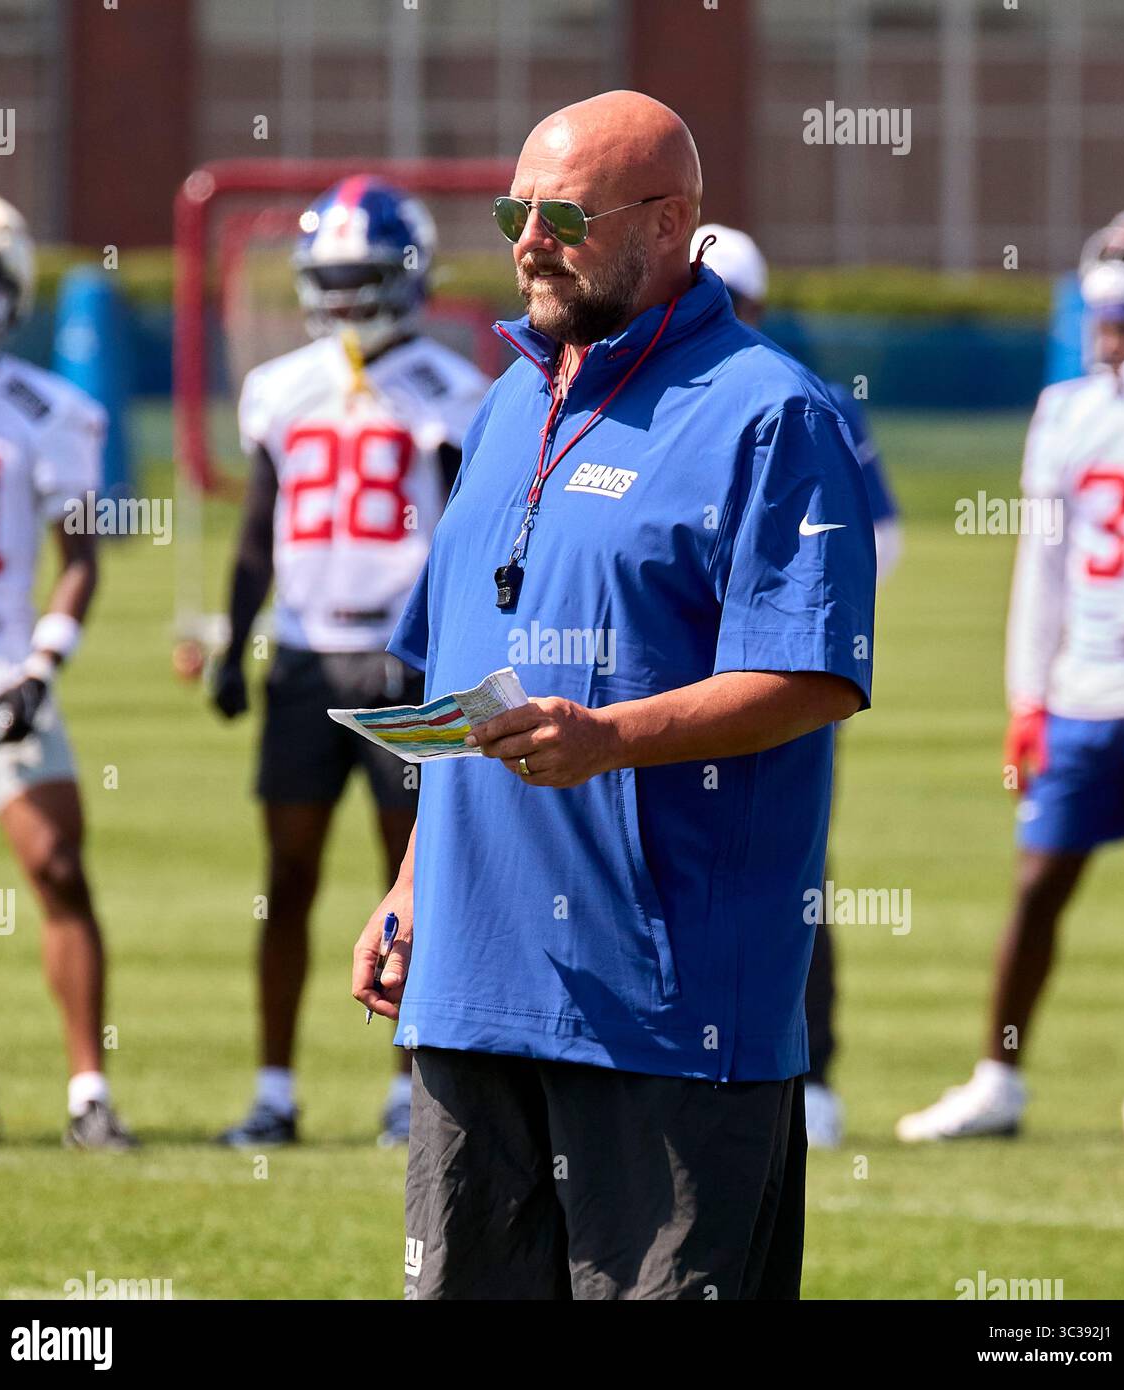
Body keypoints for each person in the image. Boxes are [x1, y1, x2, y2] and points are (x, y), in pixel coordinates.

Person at [352, 90, 876, 1300]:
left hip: (669, 1011)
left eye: (564, 214)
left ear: (669, 221)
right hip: (474, 996)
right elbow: (459, 684)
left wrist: (609, 738)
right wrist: (414, 880)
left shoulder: (770, 412)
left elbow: (809, 674)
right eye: (515, 212)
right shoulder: (501, 404)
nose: (529, 239)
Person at [212, 179, 489, 1147]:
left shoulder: (455, 394)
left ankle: (406, 1086)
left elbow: (464, 543)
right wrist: (229, 640)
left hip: (401, 663)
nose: (342, 297)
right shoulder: (281, 386)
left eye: (361, 277)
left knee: (408, 878)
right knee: (286, 874)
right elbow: (257, 534)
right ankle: (274, 1088)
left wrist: (447, 658)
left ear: (405, 277)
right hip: (301, 652)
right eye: (329, 279)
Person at [898, 205, 1124, 1148]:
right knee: (1039, 879)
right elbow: (1039, 568)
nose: (1109, 329)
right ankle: (997, 1077)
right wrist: (1027, 695)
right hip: (1088, 680)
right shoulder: (1068, 410)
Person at [693, 223, 902, 1148]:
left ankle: (808, 1075)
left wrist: (785, 623)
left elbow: (878, 536)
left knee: (788, 869)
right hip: (665, 685)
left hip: (769, 677)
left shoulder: (798, 400)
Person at [0, 183, 134, 1150]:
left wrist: (42, 664)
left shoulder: (45, 407)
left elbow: (80, 563)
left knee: (56, 864)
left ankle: (86, 1091)